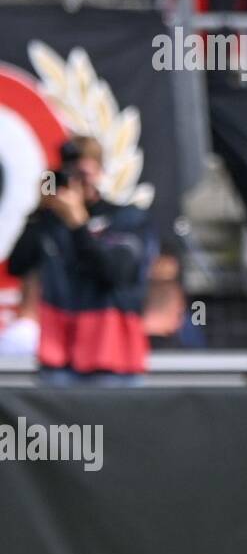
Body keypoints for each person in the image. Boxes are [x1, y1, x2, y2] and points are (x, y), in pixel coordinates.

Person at [5, 137, 155, 384]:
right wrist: (41, 209)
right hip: (60, 359)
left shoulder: (127, 219)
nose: (77, 182)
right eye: (71, 174)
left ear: (100, 172)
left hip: (111, 358)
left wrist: (78, 224)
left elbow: (113, 273)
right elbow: (18, 265)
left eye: (84, 174)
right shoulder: (52, 223)